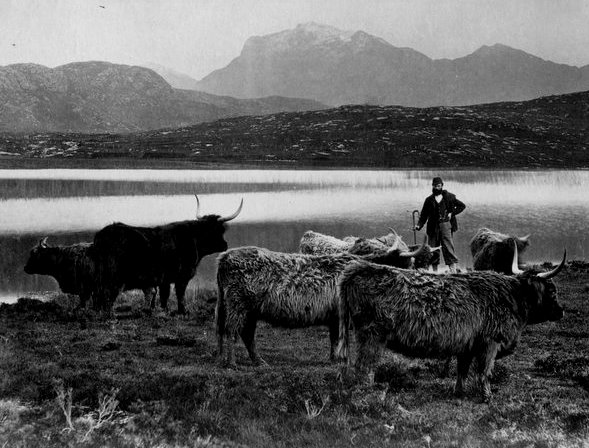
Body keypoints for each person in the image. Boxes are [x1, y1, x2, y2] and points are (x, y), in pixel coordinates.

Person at [414, 177, 466, 273]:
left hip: (446, 226)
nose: (437, 188)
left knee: (448, 248)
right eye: (435, 186)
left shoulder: (449, 197)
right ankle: (435, 272)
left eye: (439, 186)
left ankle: (453, 270)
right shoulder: (429, 200)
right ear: (432, 186)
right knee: (433, 249)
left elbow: (462, 206)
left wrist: (452, 213)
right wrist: (418, 225)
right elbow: (424, 215)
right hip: (432, 227)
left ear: (442, 186)